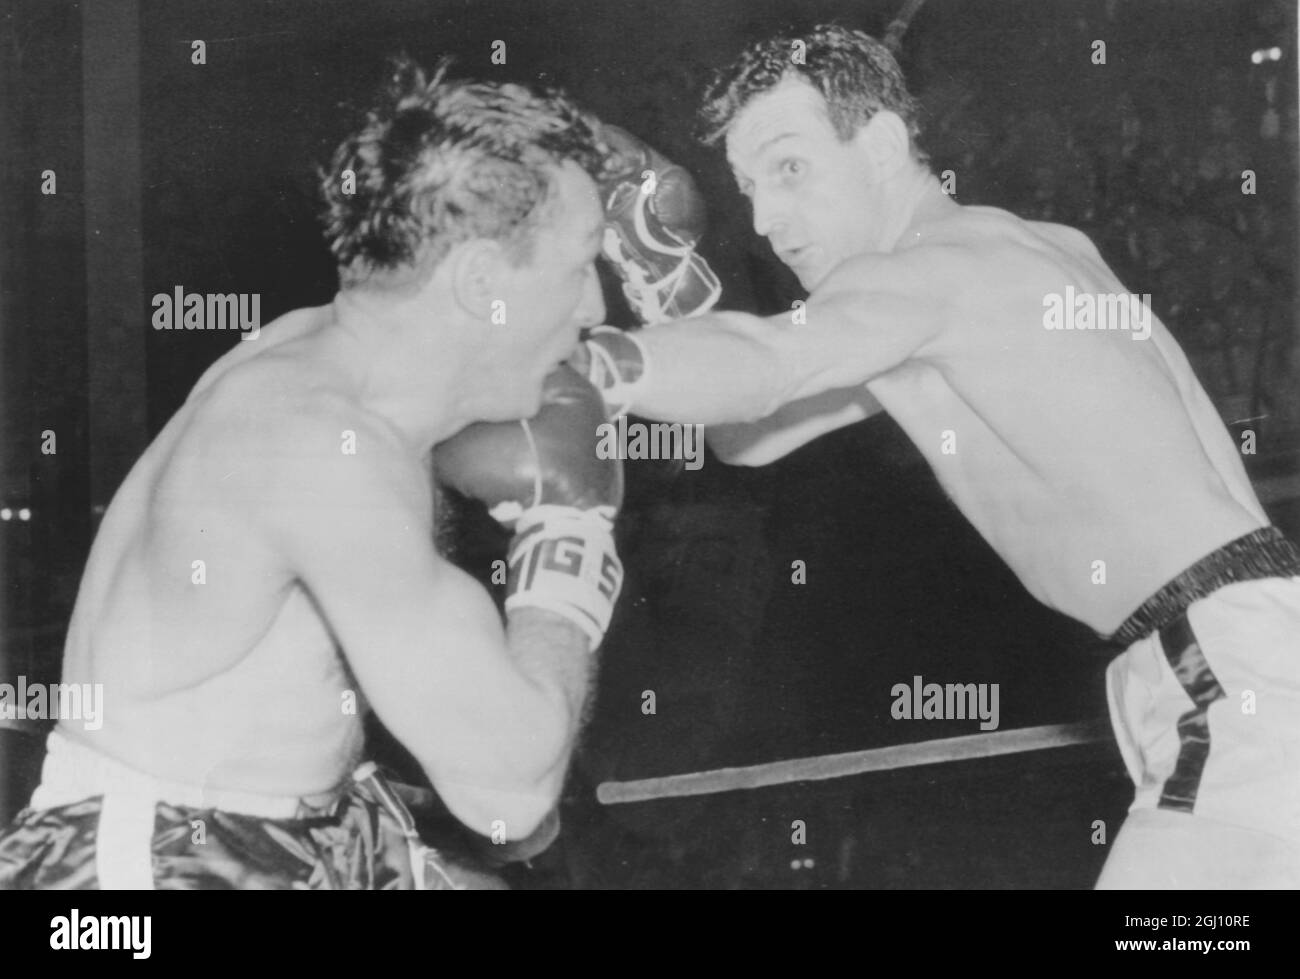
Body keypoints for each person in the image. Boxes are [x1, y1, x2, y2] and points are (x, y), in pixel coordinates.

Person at [570, 24, 1300, 888]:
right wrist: (660, 273)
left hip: (1227, 679)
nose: (767, 221)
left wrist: (573, 362)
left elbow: (763, 369)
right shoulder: (1023, 254)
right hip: (1239, 655)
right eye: (748, 187)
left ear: (880, 143)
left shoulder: (928, 274)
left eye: (791, 168)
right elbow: (753, 432)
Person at [0, 59, 627, 889]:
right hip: (161, 857)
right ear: (481, 282)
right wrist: (570, 545)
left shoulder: (339, 355)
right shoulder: (323, 447)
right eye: (581, 265)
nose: (595, 309)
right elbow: (510, 796)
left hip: (304, 818)